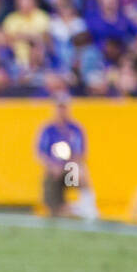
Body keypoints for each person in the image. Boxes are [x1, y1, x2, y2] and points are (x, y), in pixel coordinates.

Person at [36, 91, 97, 220]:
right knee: (54, 210)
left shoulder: (75, 129)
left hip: (69, 169)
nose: (61, 111)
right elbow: (41, 153)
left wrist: (65, 166)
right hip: (54, 172)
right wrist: (53, 166)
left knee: (79, 173)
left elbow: (80, 154)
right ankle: (72, 209)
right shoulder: (48, 129)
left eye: (63, 107)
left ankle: (89, 208)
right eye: (59, 107)